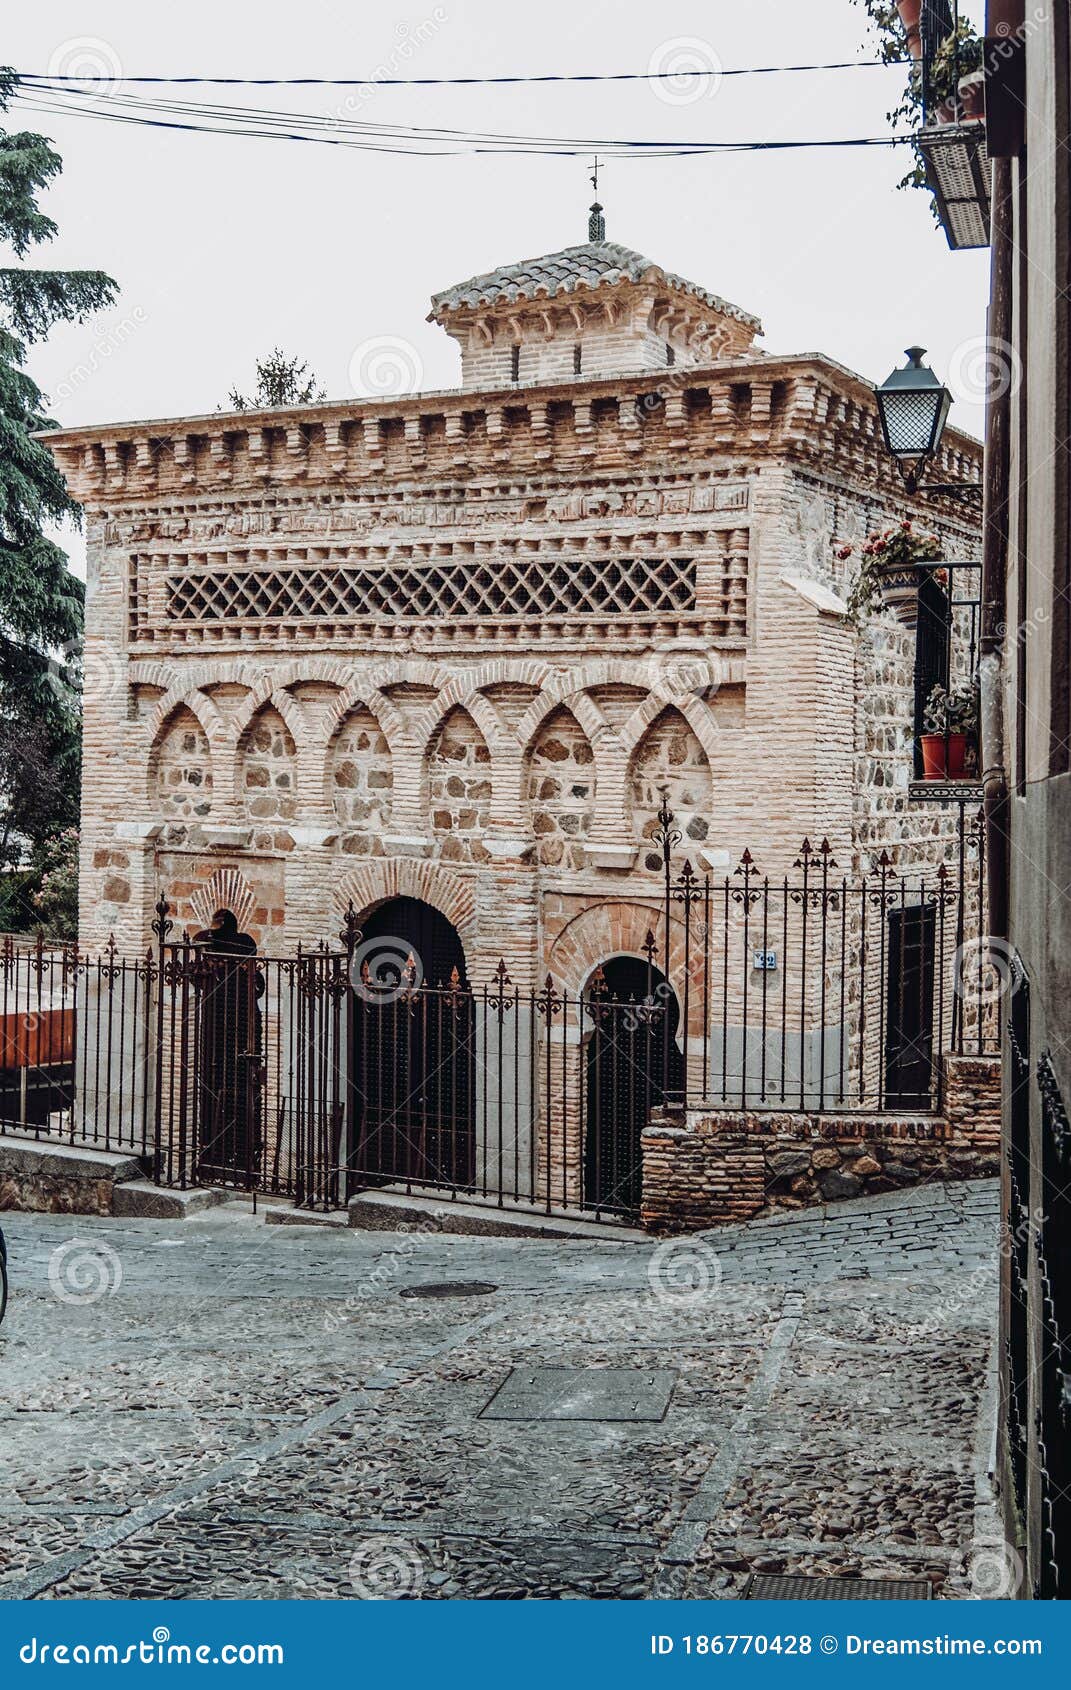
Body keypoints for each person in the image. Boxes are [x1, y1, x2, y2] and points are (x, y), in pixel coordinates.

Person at [192, 910, 263, 1184]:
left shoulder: (239, 978)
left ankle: (241, 1162)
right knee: (217, 1096)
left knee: (239, 1100)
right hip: (220, 1045)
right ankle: (216, 1159)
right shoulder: (222, 980)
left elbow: (257, 987)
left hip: (239, 1044)